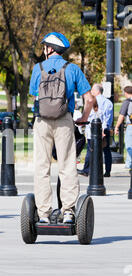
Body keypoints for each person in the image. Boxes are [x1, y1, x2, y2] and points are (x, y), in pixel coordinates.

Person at [29, 32, 95, 224]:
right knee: (66, 165)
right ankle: (68, 211)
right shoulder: (72, 68)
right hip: (64, 120)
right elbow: (89, 98)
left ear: (50, 49)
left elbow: (34, 97)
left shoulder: (37, 68)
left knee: (42, 166)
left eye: (44, 47)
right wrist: (83, 117)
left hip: (42, 121)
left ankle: (43, 213)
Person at [90, 83, 113, 177]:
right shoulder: (108, 102)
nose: (91, 92)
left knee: (93, 150)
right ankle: (107, 171)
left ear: (97, 91)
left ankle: (94, 171)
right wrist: (105, 127)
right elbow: (108, 118)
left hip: (94, 128)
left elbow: (91, 116)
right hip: (105, 128)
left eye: (92, 90)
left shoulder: (92, 101)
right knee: (106, 150)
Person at [77, 99, 99, 177]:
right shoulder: (97, 110)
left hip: (91, 134)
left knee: (89, 152)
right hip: (96, 134)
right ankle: (94, 170)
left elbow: (85, 121)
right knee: (96, 152)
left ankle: (86, 170)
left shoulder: (90, 112)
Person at [114, 86, 132, 169]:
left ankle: (129, 164)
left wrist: (117, 126)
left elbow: (121, 116)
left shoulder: (127, 102)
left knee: (129, 145)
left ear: (126, 93)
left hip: (130, 126)